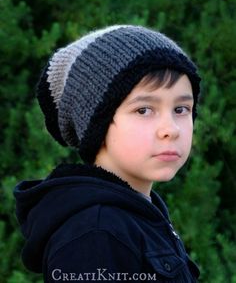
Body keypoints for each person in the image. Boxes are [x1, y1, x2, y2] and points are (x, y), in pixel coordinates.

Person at [14, 25, 201, 282]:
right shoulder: (95, 234)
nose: (170, 130)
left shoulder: (140, 212)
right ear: (96, 123)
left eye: (181, 109)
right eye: (144, 110)